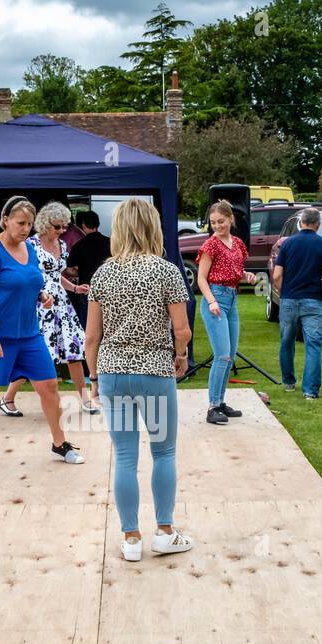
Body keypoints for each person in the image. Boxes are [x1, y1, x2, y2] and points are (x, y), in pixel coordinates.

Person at [86, 198, 194, 561]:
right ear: (153, 227)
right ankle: (164, 530)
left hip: (114, 372)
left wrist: (93, 375)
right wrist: (180, 356)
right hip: (155, 371)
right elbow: (182, 329)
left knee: (126, 457)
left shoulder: (103, 273)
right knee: (163, 453)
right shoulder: (166, 271)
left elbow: (91, 337)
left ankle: (131, 539)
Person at [0, 195, 84, 471]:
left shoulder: (29, 248)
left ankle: (59, 443)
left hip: (28, 334)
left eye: (29, 223)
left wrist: (40, 295)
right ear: (5, 220)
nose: (25, 228)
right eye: (20, 223)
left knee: (49, 387)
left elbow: (27, 281)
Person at [0, 202, 96, 415]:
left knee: (74, 350)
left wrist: (75, 288)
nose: (62, 231)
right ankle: (7, 397)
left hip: (61, 303)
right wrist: (38, 295)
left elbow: (57, 276)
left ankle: (85, 399)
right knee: (36, 352)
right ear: (45, 224)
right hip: (38, 303)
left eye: (64, 227)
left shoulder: (62, 246)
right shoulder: (30, 245)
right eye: (57, 227)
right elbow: (26, 275)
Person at [197, 199, 258, 425]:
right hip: (216, 299)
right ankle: (212, 407)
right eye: (213, 223)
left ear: (231, 219)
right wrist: (212, 301)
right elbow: (201, 279)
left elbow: (235, 271)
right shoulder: (210, 245)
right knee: (221, 354)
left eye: (220, 221)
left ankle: (220, 402)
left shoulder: (239, 243)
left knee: (229, 356)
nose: (217, 226)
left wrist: (247, 276)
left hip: (231, 299)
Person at [272, 207, 322, 400]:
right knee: (313, 345)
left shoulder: (288, 244)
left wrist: (285, 292)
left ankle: (289, 381)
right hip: (313, 300)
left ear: (300, 223)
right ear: (318, 224)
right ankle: (310, 391)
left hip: (289, 299)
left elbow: (276, 276)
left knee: (286, 342)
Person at [66, 209, 111, 330]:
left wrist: (78, 271)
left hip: (86, 289)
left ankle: (86, 348)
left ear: (83, 226)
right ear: (98, 224)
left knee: (86, 326)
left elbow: (69, 270)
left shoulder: (79, 245)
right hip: (108, 289)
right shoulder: (111, 243)